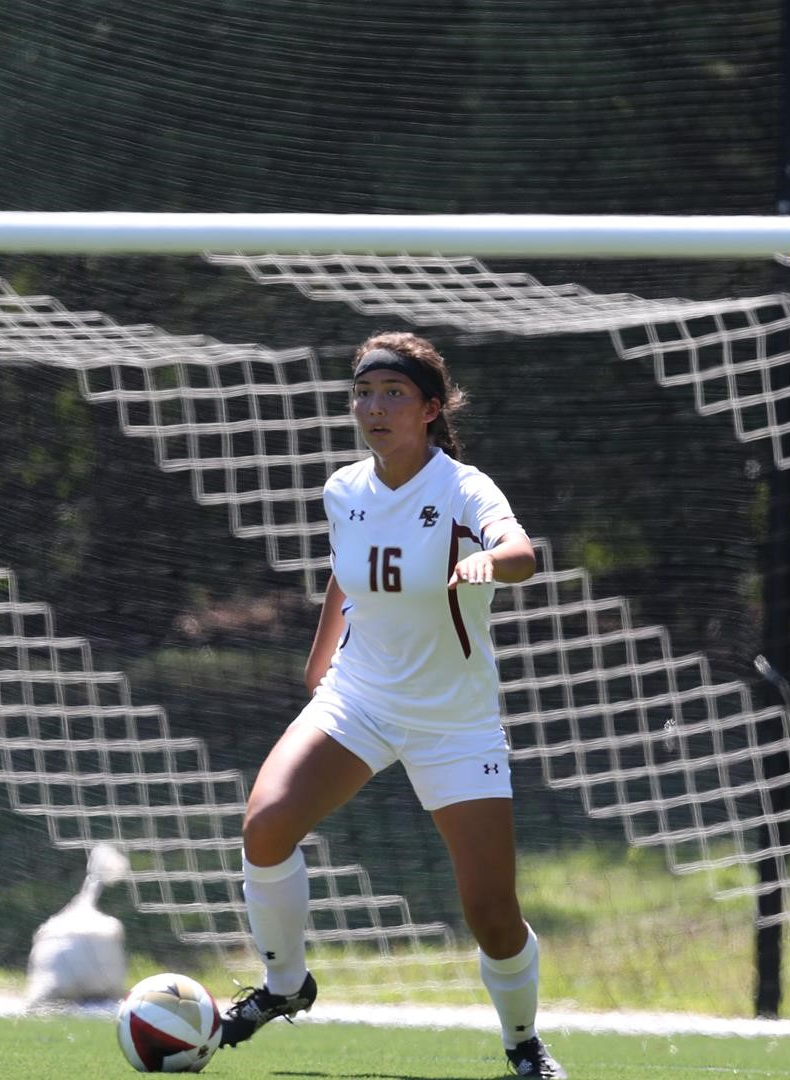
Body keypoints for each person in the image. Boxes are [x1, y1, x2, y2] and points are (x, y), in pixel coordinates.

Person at [220, 332, 565, 1078]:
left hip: (453, 720)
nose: (374, 408)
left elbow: (523, 553)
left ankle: (523, 1044)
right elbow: (347, 573)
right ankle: (285, 986)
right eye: (365, 393)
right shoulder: (344, 489)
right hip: (361, 697)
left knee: (492, 915)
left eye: (394, 395)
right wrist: (321, 656)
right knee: (265, 827)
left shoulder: (464, 488)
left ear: (431, 409)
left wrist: (488, 561)